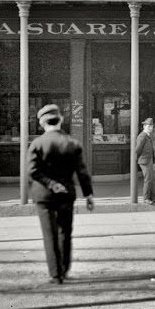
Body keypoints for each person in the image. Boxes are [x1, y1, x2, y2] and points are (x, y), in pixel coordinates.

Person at [26, 104, 94, 284]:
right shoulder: (72, 143)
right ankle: (64, 270)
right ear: (61, 120)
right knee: (65, 231)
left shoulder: (37, 143)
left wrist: (50, 184)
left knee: (49, 234)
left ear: (42, 123)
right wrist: (88, 195)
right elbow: (82, 172)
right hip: (66, 194)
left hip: (43, 196)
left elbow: (32, 171)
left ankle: (55, 274)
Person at [134, 117, 155, 205]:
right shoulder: (142, 136)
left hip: (148, 160)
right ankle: (146, 198)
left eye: (151, 126)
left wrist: (153, 162)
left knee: (151, 179)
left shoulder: (147, 136)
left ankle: (153, 197)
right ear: (144, 126)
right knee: (148, 179)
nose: (151, 128)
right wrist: (137, 160)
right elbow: (137, 150)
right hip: (144, 160)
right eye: (148, 126)